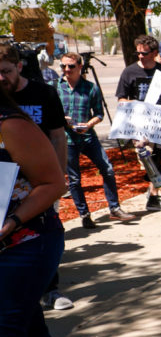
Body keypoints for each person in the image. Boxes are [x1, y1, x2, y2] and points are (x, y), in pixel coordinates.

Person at [0, 79, 70, 337]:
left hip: (26, 242)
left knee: (4, 335)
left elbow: (53, 183)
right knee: (27, 326)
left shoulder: (10, 126)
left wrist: (12, 223)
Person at [1, 44, 72, 311]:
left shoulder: (43, 93)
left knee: (40, 234)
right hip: (6, 189)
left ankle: (51, 290)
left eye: (6, 71)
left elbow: (57, 135)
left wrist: (60, 174)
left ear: (19, 67)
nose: (1, 78)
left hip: (41, 183)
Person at [55, 52, 136, 228]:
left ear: (80, 67)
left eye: (71, 66)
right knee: (75, 179)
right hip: (67, 139)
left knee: (107, 169)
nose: (66, 70)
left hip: (87, 136)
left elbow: (99, 113)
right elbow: (50, 113)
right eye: (63, 66)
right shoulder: (55, 87)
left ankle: (114, 208)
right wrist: (62, 119)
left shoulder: (91, 88)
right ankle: (84, 214)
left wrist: (89, 124)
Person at [116, 34, 161, 212]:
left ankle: (155, 196)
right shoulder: (129, 72)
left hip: (160, 124)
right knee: (147, 159)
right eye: (138, 53)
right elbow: (121, 99)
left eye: (144, 53)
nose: (140, 57)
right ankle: (155, 194)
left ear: (154, 53)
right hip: (139, 126)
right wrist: (136, 105)